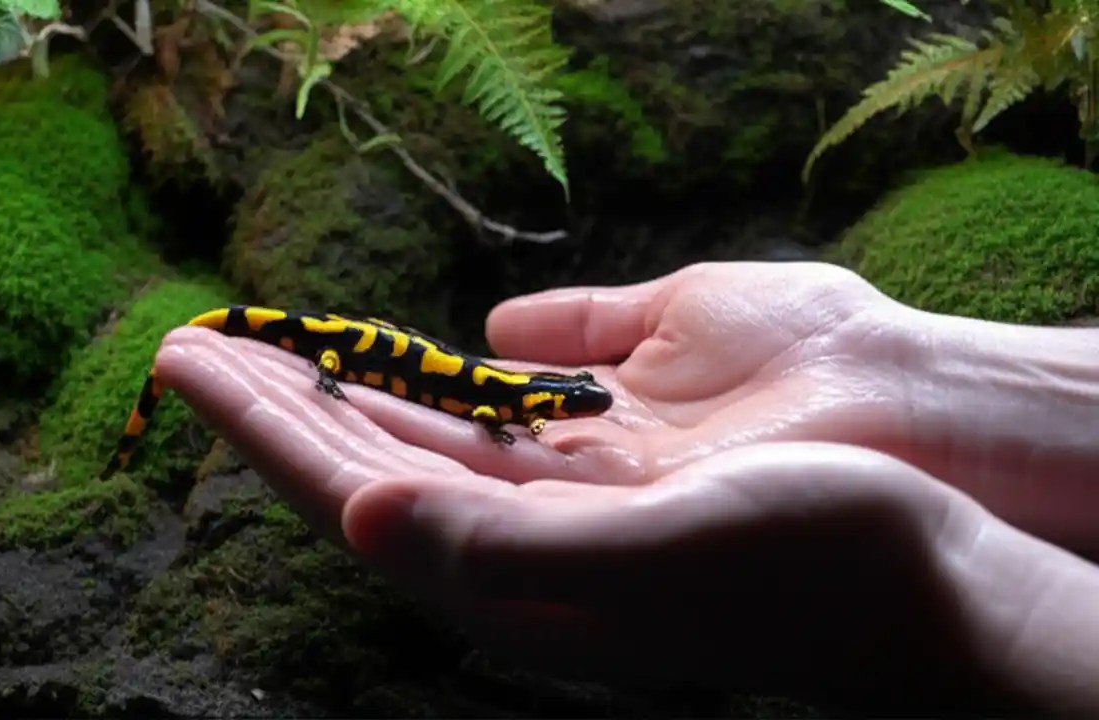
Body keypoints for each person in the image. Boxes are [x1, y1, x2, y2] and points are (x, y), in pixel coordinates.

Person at [150, 262, 1099, 715]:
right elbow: (495, 411)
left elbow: (501, 412)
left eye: (572, 401)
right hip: (358, 349)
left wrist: (968, 593)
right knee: (340, 359)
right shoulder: (507, 397)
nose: (581, 403)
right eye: (573, 400)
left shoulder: (513, 398)